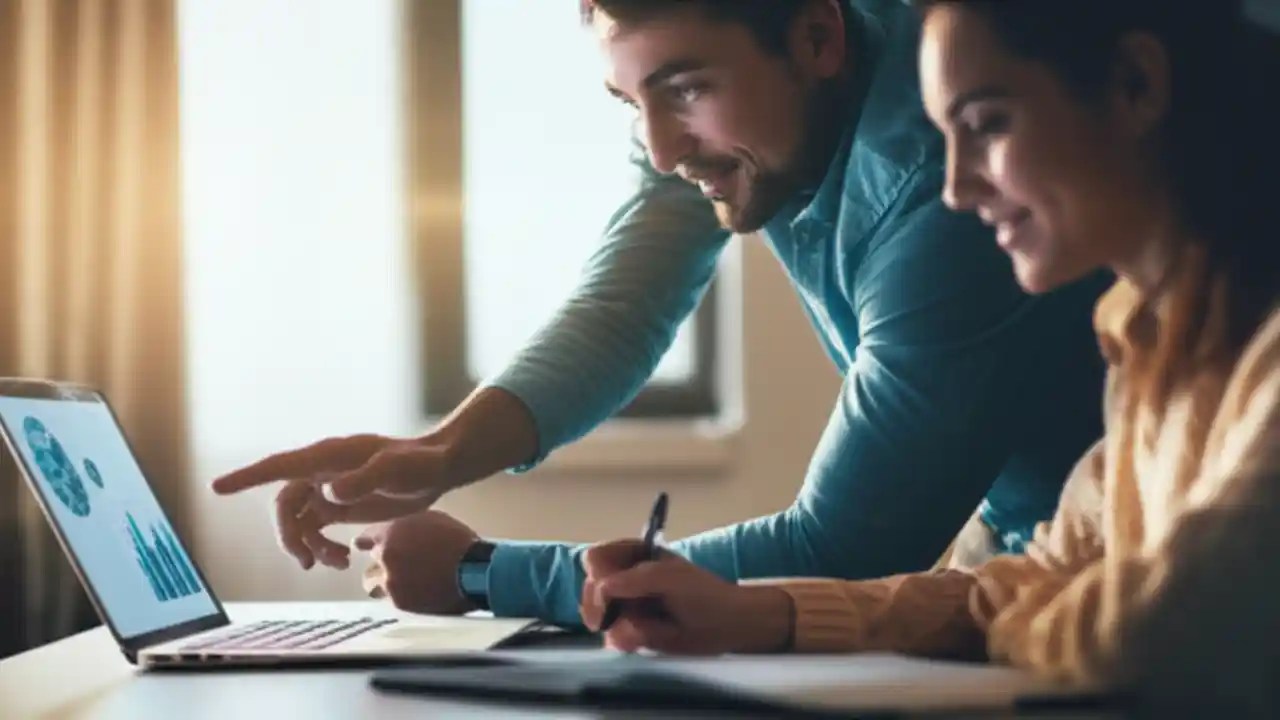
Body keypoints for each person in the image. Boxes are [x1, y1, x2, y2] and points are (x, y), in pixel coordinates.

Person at [211, 0, 1107, 626]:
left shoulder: (944, 197)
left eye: (684, 90)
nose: (661, 149)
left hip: (1116, 573)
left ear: (818, 37)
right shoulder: (755, 106)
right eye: (630, 103)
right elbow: (624, 303)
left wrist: (485, 574)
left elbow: (837, 549)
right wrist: (445, 452)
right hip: (1018, 546)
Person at [580, 0, 1280, 715]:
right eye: (947, 136)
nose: (957, 188)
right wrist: (752, 613)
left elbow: (1159, 634)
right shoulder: (1150, 348)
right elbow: (1020, 586)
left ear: (1135, 84)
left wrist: (1022, 614)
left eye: (987, 125)